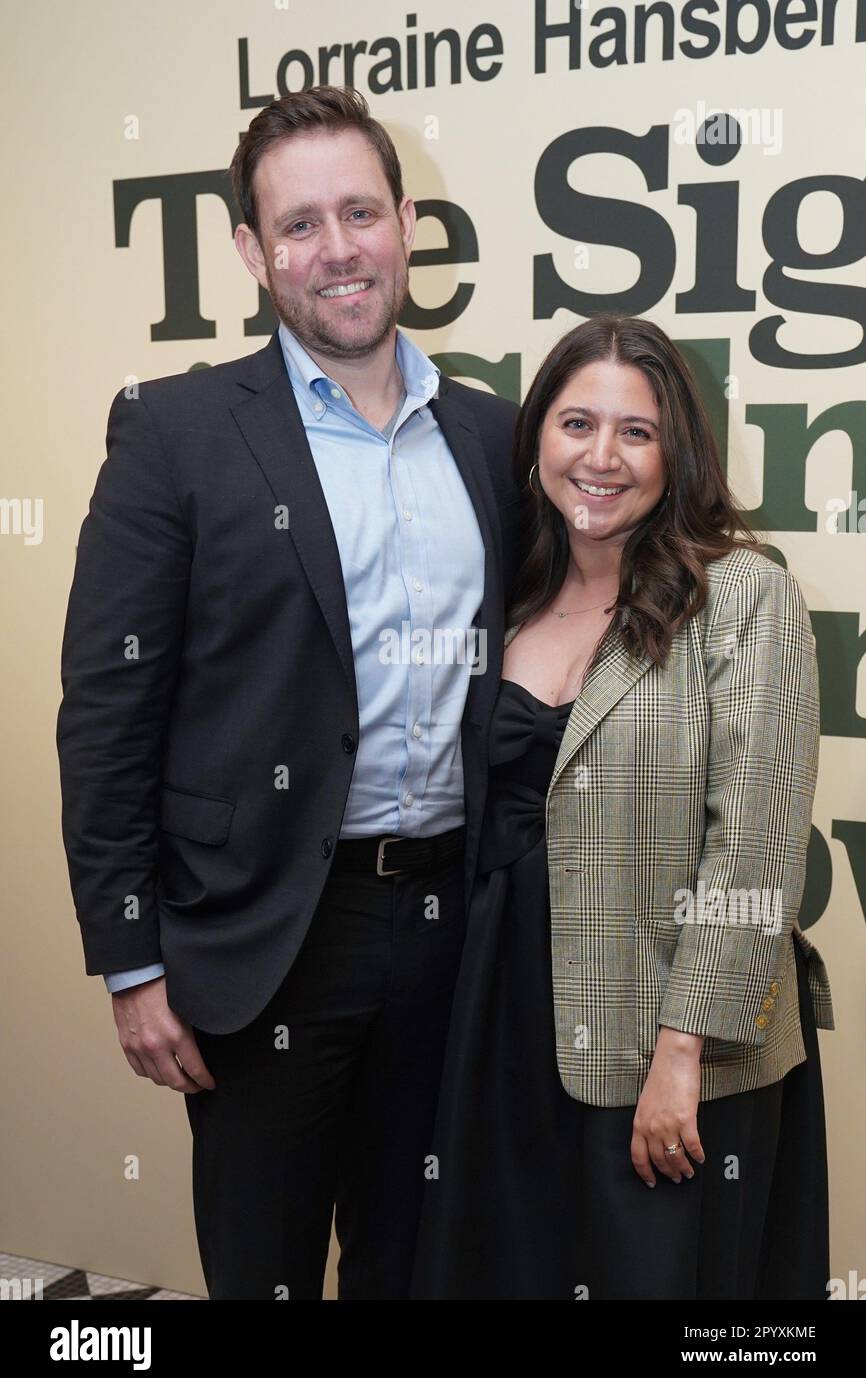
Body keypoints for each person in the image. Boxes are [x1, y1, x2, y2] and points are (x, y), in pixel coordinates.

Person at [55, 85, 521, 1300]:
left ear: (407, 222)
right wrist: (130, 960)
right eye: (301, 224)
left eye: (360, 212)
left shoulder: (490, 436)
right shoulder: (177, 430)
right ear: (255, 253)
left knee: (417, 1261)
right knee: (260, 1269)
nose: (339, 248)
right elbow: (108, 711)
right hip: (263, 936)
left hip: (448, 928)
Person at [410, 312, 835, 1300]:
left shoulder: (739, 596)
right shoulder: (507, 587)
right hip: (498, 1012)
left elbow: (754, 851)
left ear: (674, 449)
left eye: (634, 432)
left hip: (657, 1023)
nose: (599, 457)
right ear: (536, 440)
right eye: (574, 424)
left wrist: (680, 1054)